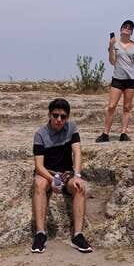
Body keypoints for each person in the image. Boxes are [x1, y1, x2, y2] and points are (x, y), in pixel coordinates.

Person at [31, 98, 92, 254]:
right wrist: (53, 180)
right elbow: (38, 166)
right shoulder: (40, 134)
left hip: (67, 173)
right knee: (39, 184)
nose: (59, 119)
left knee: (80, 187)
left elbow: (77, 153)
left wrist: (77, 175)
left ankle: (78, 235)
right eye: (55, 115)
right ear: (49, 115)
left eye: (63, 116)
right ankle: (40, 234)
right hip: (47, 172)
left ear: (68, 117)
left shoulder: (72, 128)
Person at [95, 20, 134, 142]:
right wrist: (110, 47)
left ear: (131, 32)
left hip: (130, 80)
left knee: (127, 107)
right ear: (121, 30)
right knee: (111, 106)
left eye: (130, 28)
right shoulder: (115, 44)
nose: (127, 28)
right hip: (117, 79)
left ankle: (123, 133)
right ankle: (105, 134)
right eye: (125, 27)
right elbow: (112, 61)